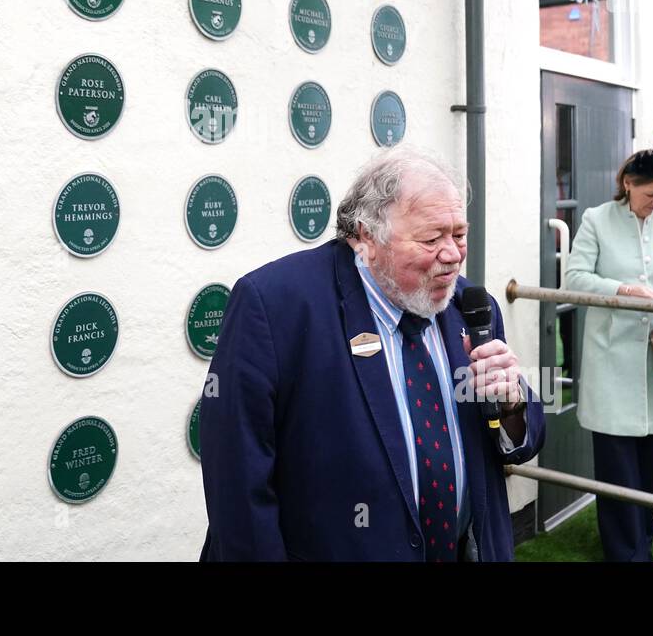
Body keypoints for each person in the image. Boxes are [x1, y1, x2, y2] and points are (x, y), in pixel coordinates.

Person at [199, 147, 544, 561]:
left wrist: (512, 404)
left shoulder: (470, 307)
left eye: (459, 233)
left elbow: (518, 440)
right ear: (366, 237)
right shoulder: (275, 306)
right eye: (431, 238)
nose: (452, 254)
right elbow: (238, 483)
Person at [564, 146, 653, 561]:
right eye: (650, 195)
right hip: (612, 357)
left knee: (648, 460)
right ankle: (624, 551)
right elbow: (575, 279)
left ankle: (645, 543)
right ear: (627, 184)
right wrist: (624, 291)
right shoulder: (596, 219)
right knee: (617, 466)